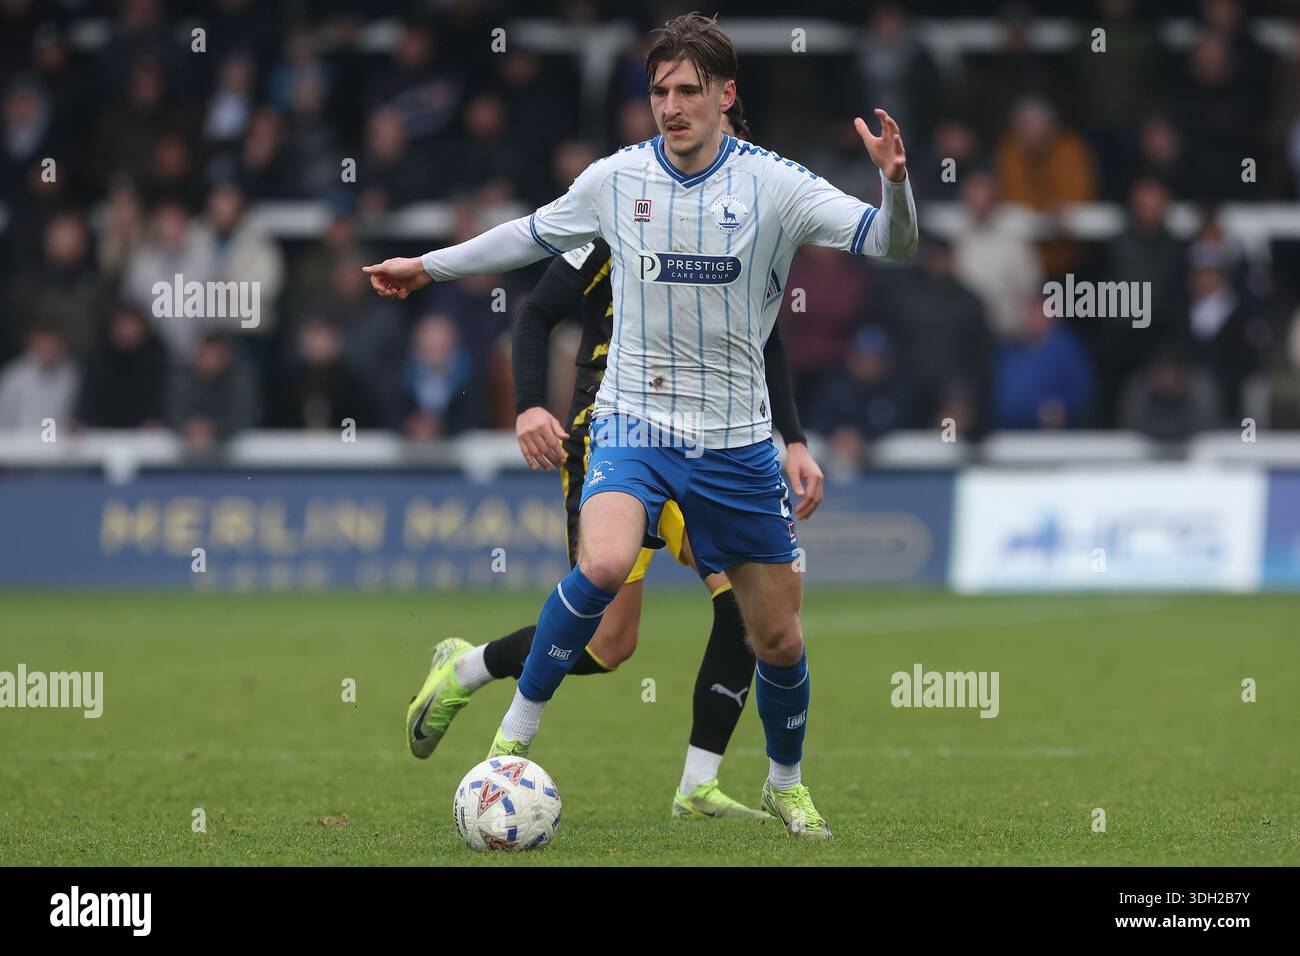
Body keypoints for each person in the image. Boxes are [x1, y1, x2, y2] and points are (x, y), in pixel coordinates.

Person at [365, 13, 917, 838]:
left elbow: (892, 244)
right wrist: (427, 266)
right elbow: (527, 236)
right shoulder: (617, 180)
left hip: (734, 445)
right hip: (631, 424)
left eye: (689, 91)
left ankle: (782, 781)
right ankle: (509, 747)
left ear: (727, 96)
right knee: (605, 564)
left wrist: (896, 185)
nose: (671, 106)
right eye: (659, 91)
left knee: (778, 640)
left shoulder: (775, 185)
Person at [403, 100, 824, 821]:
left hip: (719, 445)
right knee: (607, 644)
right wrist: (531, 405)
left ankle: (699, 784)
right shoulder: (621, 218)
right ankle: (467, 669)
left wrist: (793, 439)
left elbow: (768, 345)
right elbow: (535, 314)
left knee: (750, 614)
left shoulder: (749, 231)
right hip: (623, 439)